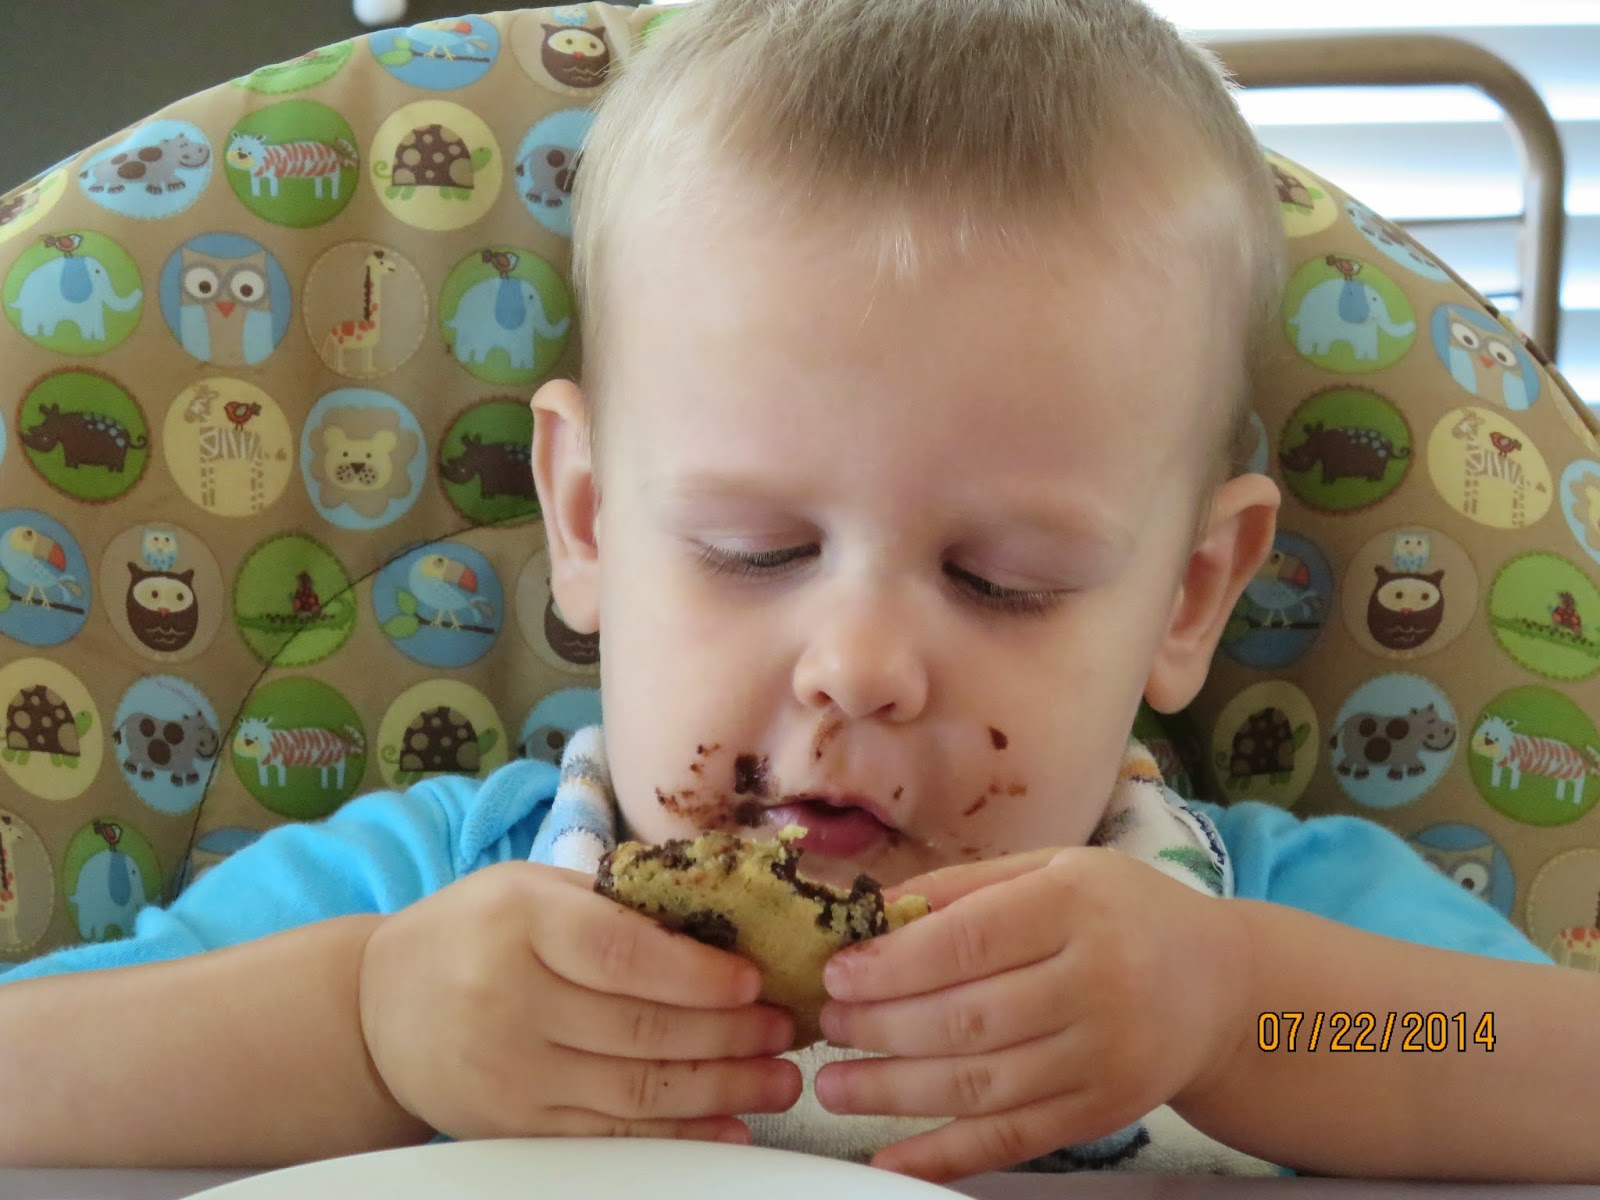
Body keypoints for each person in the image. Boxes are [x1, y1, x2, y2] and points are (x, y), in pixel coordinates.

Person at [3, 0, 1598, 1182]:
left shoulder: (1240, 925)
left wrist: (1254, 1021)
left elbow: (1547, 1075)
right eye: (757, 551)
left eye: (1003, 578)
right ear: (589, 523)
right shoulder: (444, 895)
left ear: (1186, 599)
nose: (862, 667)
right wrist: (364, 1029)